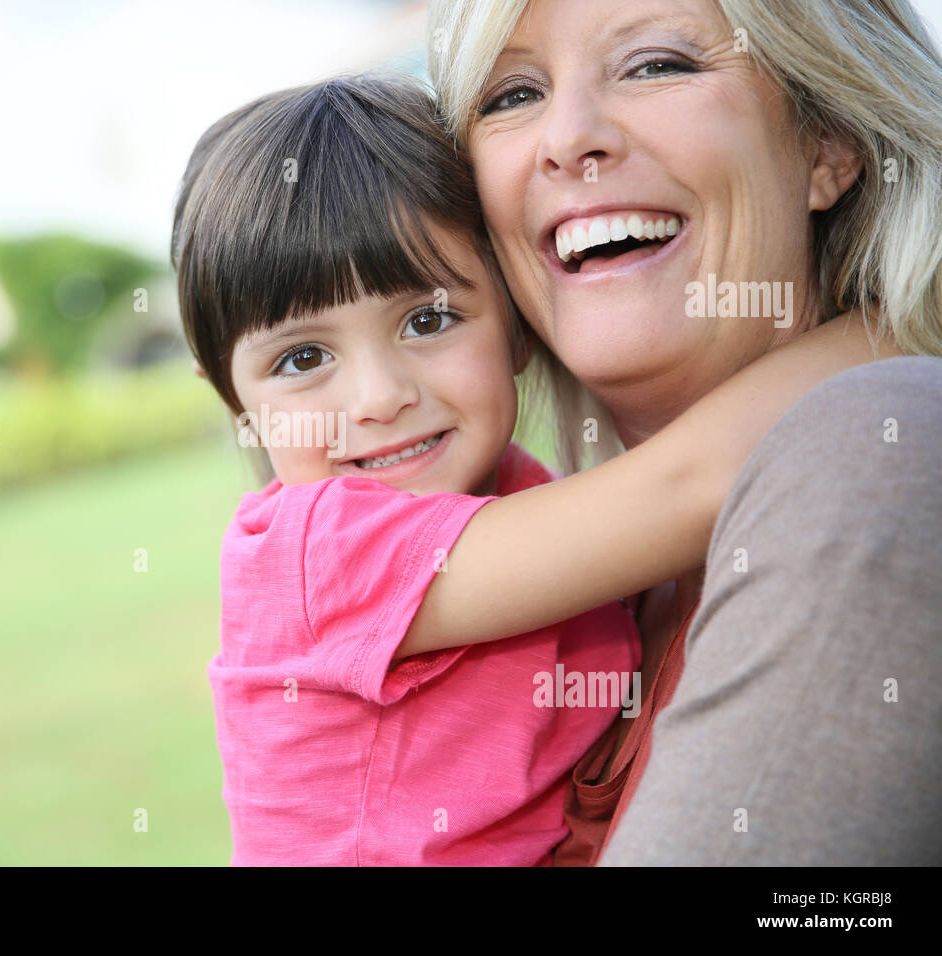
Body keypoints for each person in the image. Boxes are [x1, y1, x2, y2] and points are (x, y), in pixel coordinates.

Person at [170, 72, 899, 864]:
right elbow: (691, 482)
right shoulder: (319, 552)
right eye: (303, 357)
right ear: (231, 395)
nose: (380, 397)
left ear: (517, 323)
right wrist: (903, 325)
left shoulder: (525, 496)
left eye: (428, 319)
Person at [426, 0, 942, 863]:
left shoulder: (881, 446)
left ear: (830, 146)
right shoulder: (583, 594)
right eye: (512, 93)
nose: (567, 137)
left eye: (657, 64)